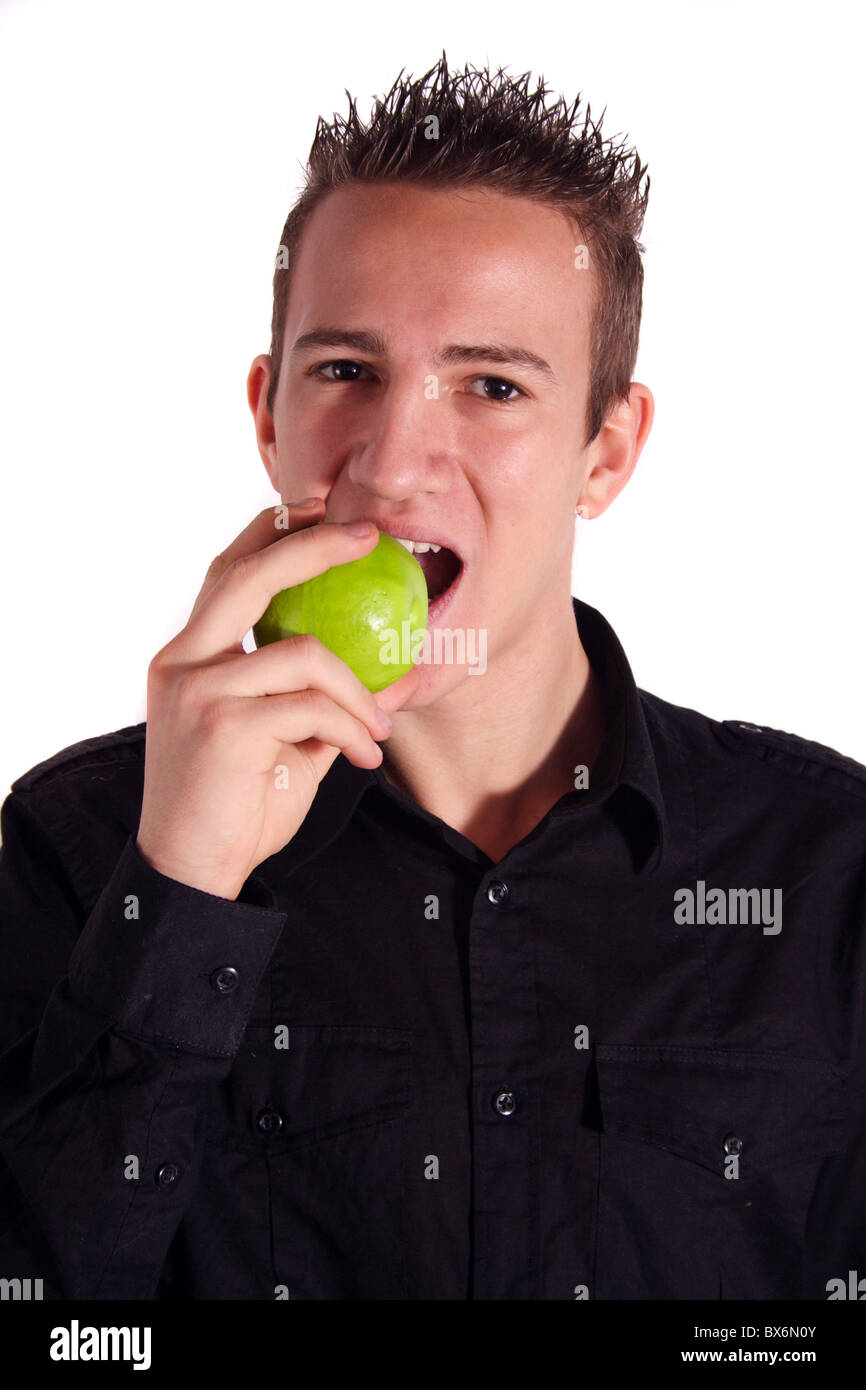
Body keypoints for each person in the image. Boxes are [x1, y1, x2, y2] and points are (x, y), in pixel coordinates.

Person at [2, 52, 865, 1302]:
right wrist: (177, 900)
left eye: (493, 385)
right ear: (267, 414)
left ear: (605, 453)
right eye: (345, 370)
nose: (395, 460)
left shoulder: (824, 865)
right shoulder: (79, 850)